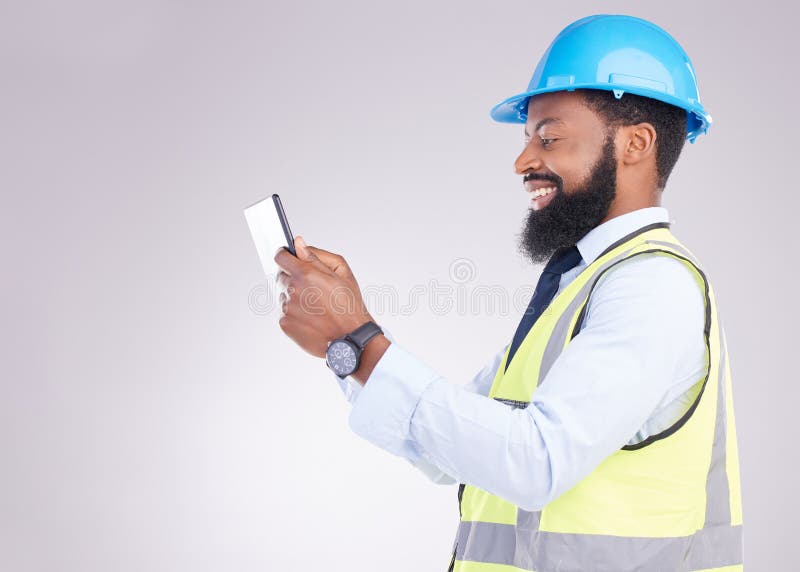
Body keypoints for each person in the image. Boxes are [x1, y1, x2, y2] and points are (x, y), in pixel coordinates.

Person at [274, 14, 743, 572]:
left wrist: (356, 337)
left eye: (548, 137)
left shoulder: (652, 285)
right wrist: (349, 346)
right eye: (528, 140)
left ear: (635, 143)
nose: (523, 162)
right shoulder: (581, 286)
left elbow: (534, 463)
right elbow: (452, 450)